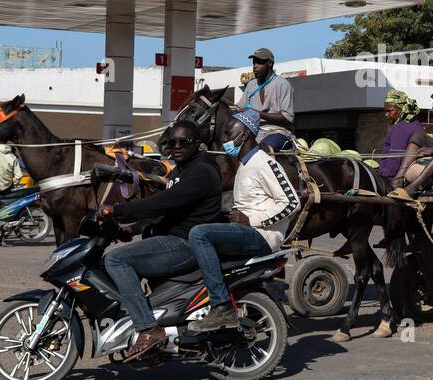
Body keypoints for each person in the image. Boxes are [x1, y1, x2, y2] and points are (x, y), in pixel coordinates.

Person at [96, 120, 224, 361]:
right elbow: (167, 211)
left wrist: (119, 209)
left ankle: (148, 329)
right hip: (171, 239)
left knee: (117, 260)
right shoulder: (181, 170)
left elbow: (165, 203)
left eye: (183, 142)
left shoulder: (202, 171)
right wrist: (133, 228)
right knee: (110, 262)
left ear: (197, 144)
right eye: (171, 143)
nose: (176, 147)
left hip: (185, 244)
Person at [187, 110, 302, 332]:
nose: (224, 139)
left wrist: (252, 220)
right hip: (247, 231)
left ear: (245, 135)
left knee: (200, 234)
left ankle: (222, 308)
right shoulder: (243, 165)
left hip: (263, 236)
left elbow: (291, 203)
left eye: (229, 134)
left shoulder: (264, 163)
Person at [241, 48, 295, 152]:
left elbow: (287, 117)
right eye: (254, 63)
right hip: (253, 132)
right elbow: (240, 108)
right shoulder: (251, 85)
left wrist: (258, 114)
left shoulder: (282, 84)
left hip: (278, 132)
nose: (255, 66)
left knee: (263, 149)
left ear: (269, 63)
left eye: (259, 63)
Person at [377, 90, 427, 189]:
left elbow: (395, 159)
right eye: (385, 111)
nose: (386, 114)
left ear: (402, 109)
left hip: (391, 179)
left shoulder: (400, 128)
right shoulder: (415, 124)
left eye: (390, 111)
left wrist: (382, 176)